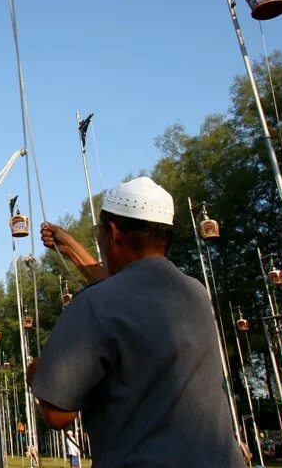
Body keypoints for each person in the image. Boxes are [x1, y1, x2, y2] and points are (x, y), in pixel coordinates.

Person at [28, 177, 244, 466]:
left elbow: (58, 414)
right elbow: (130, 292)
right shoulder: (196, 294)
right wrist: (73, 250)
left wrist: (39, 377)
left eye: (99, 233)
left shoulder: (94, 305)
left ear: (113, 233)